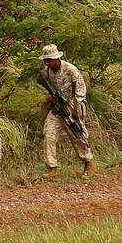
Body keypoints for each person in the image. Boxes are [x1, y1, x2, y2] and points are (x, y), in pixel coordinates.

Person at [38, 44, 95, 176]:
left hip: (71, 109)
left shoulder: (71, 70)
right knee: (49, 135)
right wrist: (50, 98)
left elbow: (81, 91)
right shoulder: (46, 72)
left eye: (49, 60)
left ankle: (88, 163)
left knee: (78, 135)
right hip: (55, 109)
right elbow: (47, 87)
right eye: (45, 60)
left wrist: (73, 108)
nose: (46, 62)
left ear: (56, 58)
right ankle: (52, 168)